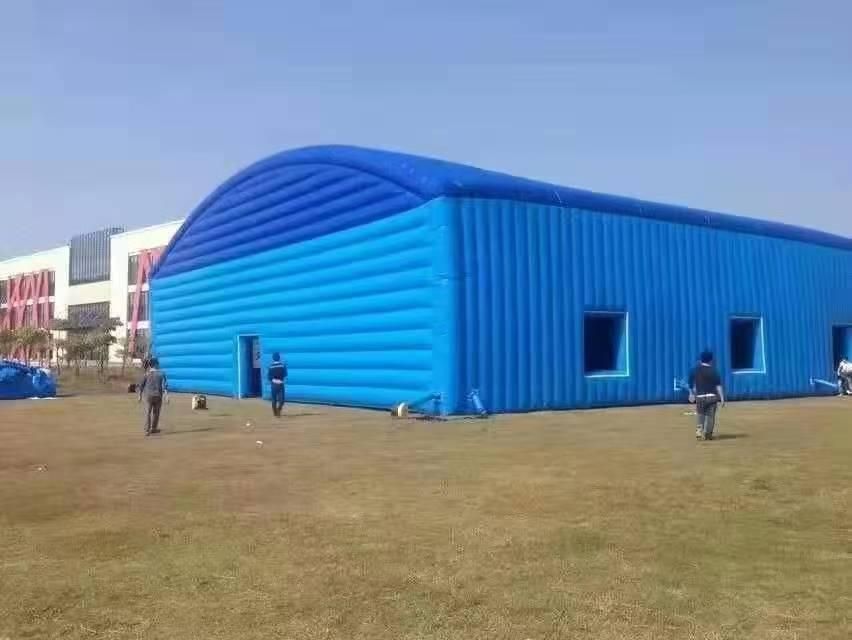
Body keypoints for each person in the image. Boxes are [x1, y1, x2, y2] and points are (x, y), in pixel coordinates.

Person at [688, 350, 726, 441]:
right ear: (711, 360)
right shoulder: (714, 371)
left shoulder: (695, 370)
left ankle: (699, 432)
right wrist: (722, 398)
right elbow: (718, 386)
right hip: (712, 397)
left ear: (701, 359)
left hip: (700, 397)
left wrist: (691, 393)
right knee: (711, 417)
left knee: (700, 415)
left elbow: (690, 383)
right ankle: (708, 435)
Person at [138, 357, 168, 436]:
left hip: (148, 396)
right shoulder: (162, 374)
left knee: (148, 413)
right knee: (156, 413)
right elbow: (165, 386)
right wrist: (166, 396)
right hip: (158, 396)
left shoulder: (146, 374)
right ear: (155, 364)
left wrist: (140, 396)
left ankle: (147, 430)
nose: (159, 365)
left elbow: (141, 386)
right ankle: (153, 428)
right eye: (158, 363)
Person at [268, 352, 288, 417]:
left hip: (273, 384)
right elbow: (285, 375)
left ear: (273, 358)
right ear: (279, 358)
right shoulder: (282, 365)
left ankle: (275, 413)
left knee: (274, 399)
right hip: (281, 384)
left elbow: (269, 377)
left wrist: (273, 380)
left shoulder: (270, 366)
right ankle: (278, 410)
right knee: (282, 400)